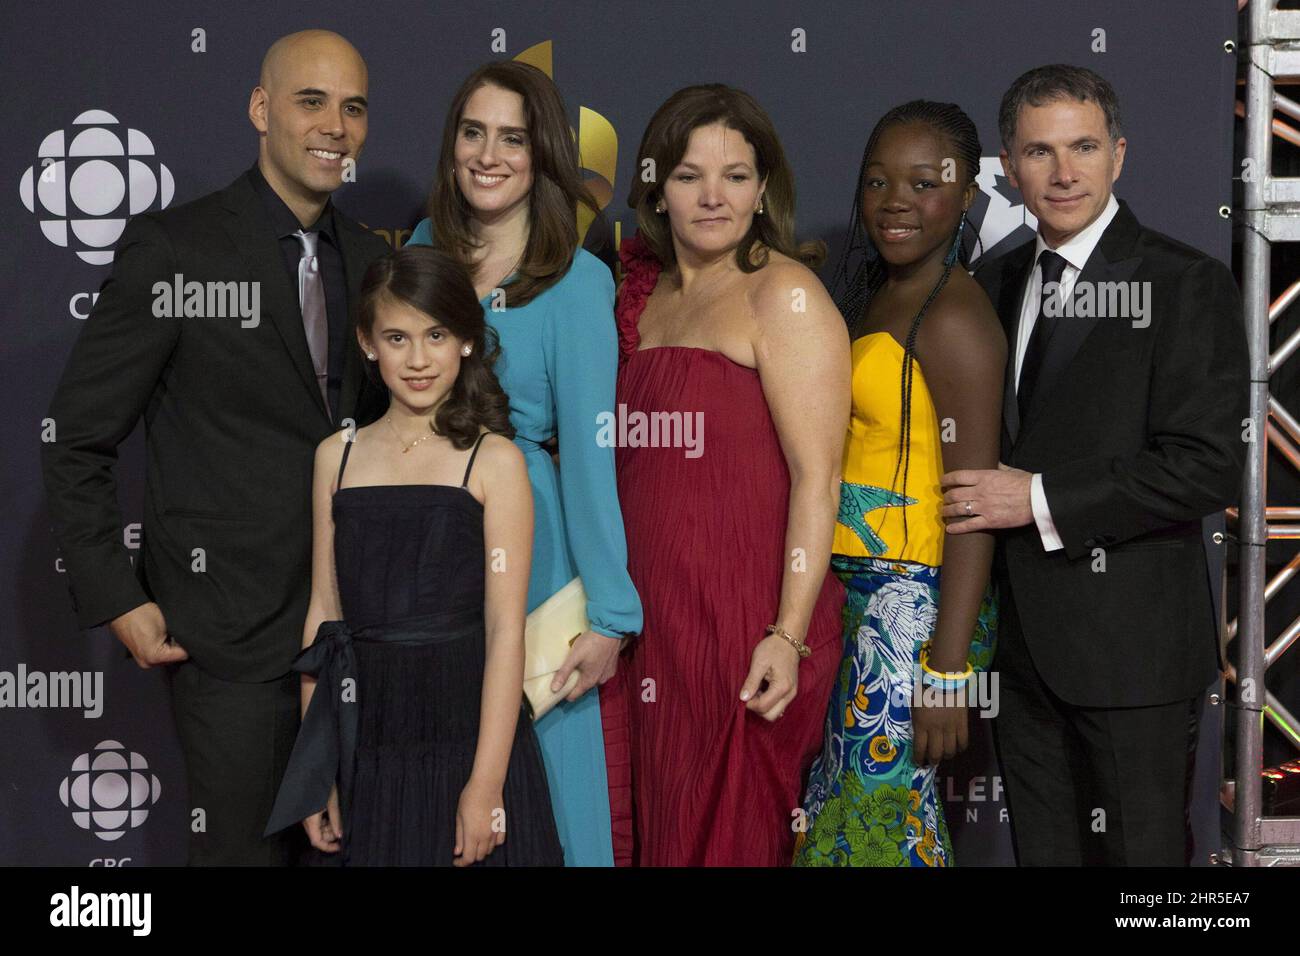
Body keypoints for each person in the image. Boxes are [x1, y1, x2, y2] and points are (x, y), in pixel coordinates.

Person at [39, 30, 390, 865]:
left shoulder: (378, 261)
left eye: (353, 107)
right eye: (310, 101)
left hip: (366, 634)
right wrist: (117, 597)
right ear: (261, 109)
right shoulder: (175, 249)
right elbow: (76, 440)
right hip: (233, 644)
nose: (333, 126)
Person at [946, 64, 1249, 865]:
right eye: (1039, 152)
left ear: (1120, 154)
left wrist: (1037, 498)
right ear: (1007, 168)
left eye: (1083, 146)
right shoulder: (991, 282)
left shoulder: (1185, 282)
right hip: (1018, 654)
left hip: (1135, 655)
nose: (1064, 172)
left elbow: (1204, 467)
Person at [599, 84, 850, 866]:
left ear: (764, 187)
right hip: (652, 622)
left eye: (736, 176)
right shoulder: (638, 299)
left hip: (746, 620)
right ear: (655, 188)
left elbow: (819, 479)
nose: (713, 197)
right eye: (688, 175)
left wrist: (788, 634)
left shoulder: (786, 294)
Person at [405, 61, 642, 866]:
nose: (489, 154)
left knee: (554, 790)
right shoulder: (423, 248)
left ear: (542, 154)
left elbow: (590, 453)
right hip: (427, 541)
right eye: (473, 132)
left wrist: (610, 614)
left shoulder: (577, 283)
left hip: (535, 554)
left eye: (513, 137)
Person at [263, 246, 564, 866]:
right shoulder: (336, 457)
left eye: (436, 334)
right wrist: (318, 769)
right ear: (368, 344)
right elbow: (325, 614)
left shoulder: (496, 461)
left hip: (463, 730)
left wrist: (485, 785)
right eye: (397, 338)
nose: (419, 359)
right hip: (365, 730)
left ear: (466, 342)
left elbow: (506, 632)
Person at [793, 101, 1003, 867]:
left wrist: (948, 669)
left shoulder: (955, 318)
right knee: (853, 822)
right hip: (851, 597)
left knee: (876, 829)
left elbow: (974, 502)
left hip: (912, 613)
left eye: (924, 182)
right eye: (878, 181)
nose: (895, 202)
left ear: (968, 194)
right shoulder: (875, 293)